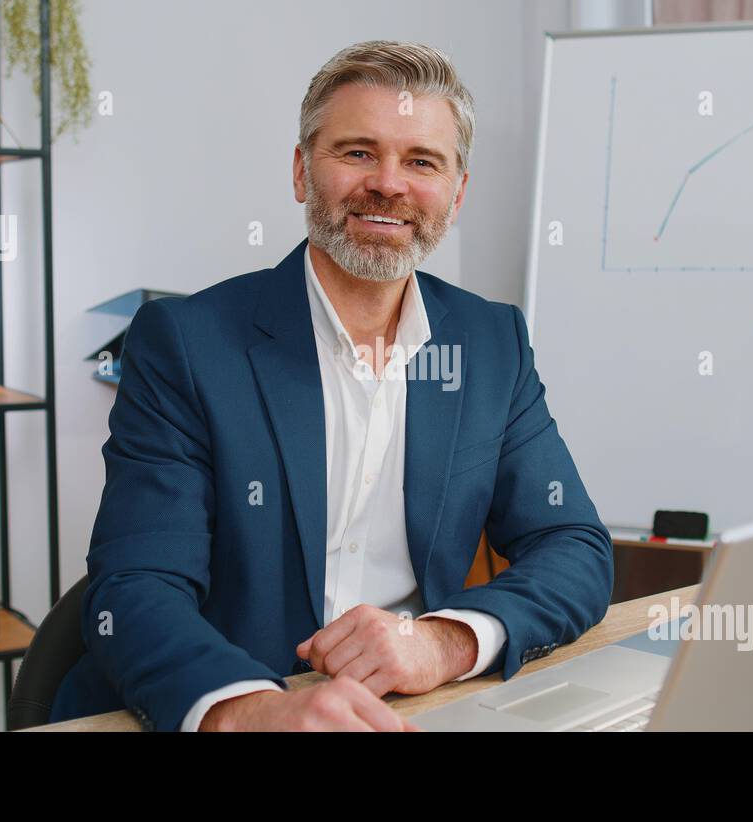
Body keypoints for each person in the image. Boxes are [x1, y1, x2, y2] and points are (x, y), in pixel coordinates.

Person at [50, 40, 613, 731]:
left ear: (457, 192)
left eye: (421, 161)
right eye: (356, 152)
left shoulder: (490, 342)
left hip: (407, 711)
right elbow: (135, 586)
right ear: (300, 172)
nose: (388, 183)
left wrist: (443, 642)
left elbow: (573, 546)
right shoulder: (185, 343)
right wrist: (251, 708)